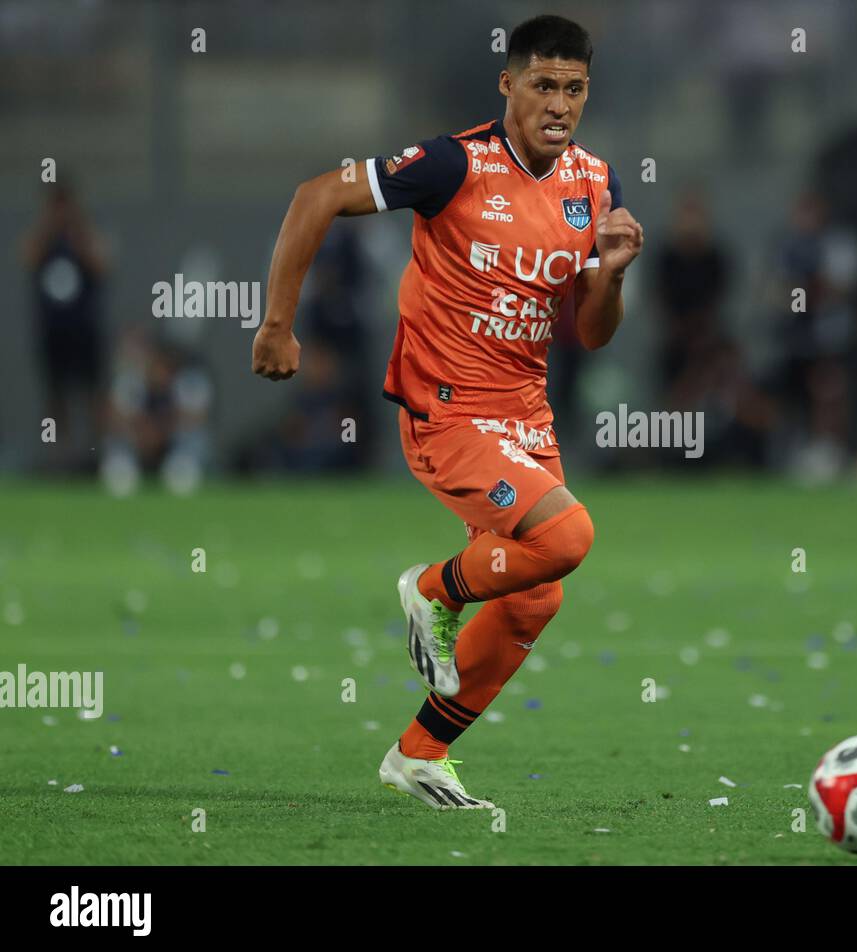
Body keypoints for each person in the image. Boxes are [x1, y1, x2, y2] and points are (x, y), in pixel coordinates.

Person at [251, 15, 643, 810]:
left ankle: (419, 753)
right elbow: (315, 195)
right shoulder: (452, 163)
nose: (559, 104)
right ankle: (434, 590)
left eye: (574, 88)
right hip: (447, 410)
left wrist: (612, 277)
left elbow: (594, 336)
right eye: (542, 85)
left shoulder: (596, 186)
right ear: (508, 85)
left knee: (538, 594)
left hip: (524, 417)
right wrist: (276, 323)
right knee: (569, 537)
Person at [21, 181, 108, 472]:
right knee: (56, 399)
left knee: (92, 395)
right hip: (53, 333)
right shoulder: (45, 240)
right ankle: (59, 457)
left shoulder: (82, 236)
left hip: (83, 332)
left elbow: (101, 264)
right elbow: (27, 258)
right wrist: (48, 226)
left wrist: (77, 232)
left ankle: (99, 456)